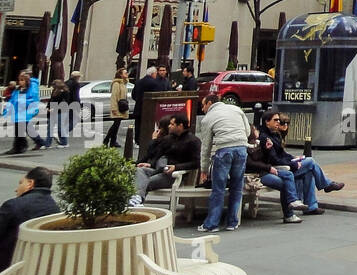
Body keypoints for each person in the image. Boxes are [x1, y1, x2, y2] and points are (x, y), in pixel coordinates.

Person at [257, 109, 344, 212]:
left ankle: (311, 207)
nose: (278, 123)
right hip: (276, 169)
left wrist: (294, 158)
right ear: (267, 121)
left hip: (284, 165)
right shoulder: (265, 138)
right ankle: (326, 185)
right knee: (310, 161)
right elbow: (274, 159)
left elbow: (282, 154)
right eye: (275, 120)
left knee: (309, 172)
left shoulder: (275, 135)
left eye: (279, 120)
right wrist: (292, 164)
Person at [197, 93, 253, 232]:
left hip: (224, 150)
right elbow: (247, 131)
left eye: (203, 105)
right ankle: (232, 222)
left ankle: (212, 224)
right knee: (236, 186)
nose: (202, 109)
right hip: (241, 148)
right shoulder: (236, 109)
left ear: (209, 103)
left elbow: (206, 146)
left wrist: (204, 169)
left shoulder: (207, 119)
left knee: (218, 188)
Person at [129, 114, 201, 205]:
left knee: (143, 181)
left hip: (173, 175)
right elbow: (156, 154)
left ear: (180, 126)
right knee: (139, 171)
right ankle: (137, 200)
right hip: (159, 170)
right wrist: (150, 164)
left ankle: (136, 200)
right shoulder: (169, 139)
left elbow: (196, 162)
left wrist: (175, 167)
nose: (169, 126)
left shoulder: (193, 141)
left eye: (172, 124)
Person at [0, 167, 59, 274]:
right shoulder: (55, 209)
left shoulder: (13, 205)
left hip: (9, 272)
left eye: (21, 183)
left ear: (30, 183)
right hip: (38, 271)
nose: (16, 189)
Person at [244, 128, 307, 224]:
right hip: (257, 175)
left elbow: (267, 160)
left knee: (288, 174)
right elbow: (250, 163)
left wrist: (268, 149)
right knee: (283, 183)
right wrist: (268, 168)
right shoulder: (244, 146)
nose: (258, 131)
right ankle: (289, 214)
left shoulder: (257, 144)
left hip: (265, 171)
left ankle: (293, 200)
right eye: (256, 129)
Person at [5, 72, 41, 155]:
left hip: (25, 112)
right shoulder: (19, 89)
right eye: (19, 80)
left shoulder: (30, 88)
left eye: (22, 80)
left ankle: (19, 147)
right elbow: (13, 99)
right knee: (24, 129)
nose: (19, 82)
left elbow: (33, 100)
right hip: (18, 112)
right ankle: (30, 143)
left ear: (26, 81)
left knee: (20, 130)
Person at [103, 69, 130, 147]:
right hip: (118, 107)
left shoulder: (124, 83)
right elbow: (114, 96)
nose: (127, 74)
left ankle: (112, 141)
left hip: (122, 106)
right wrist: (114, 108)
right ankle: (107, 140)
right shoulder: (116, 84)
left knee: (117, 124)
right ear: (120, 75)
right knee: (116, 124)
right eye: (125, 73)